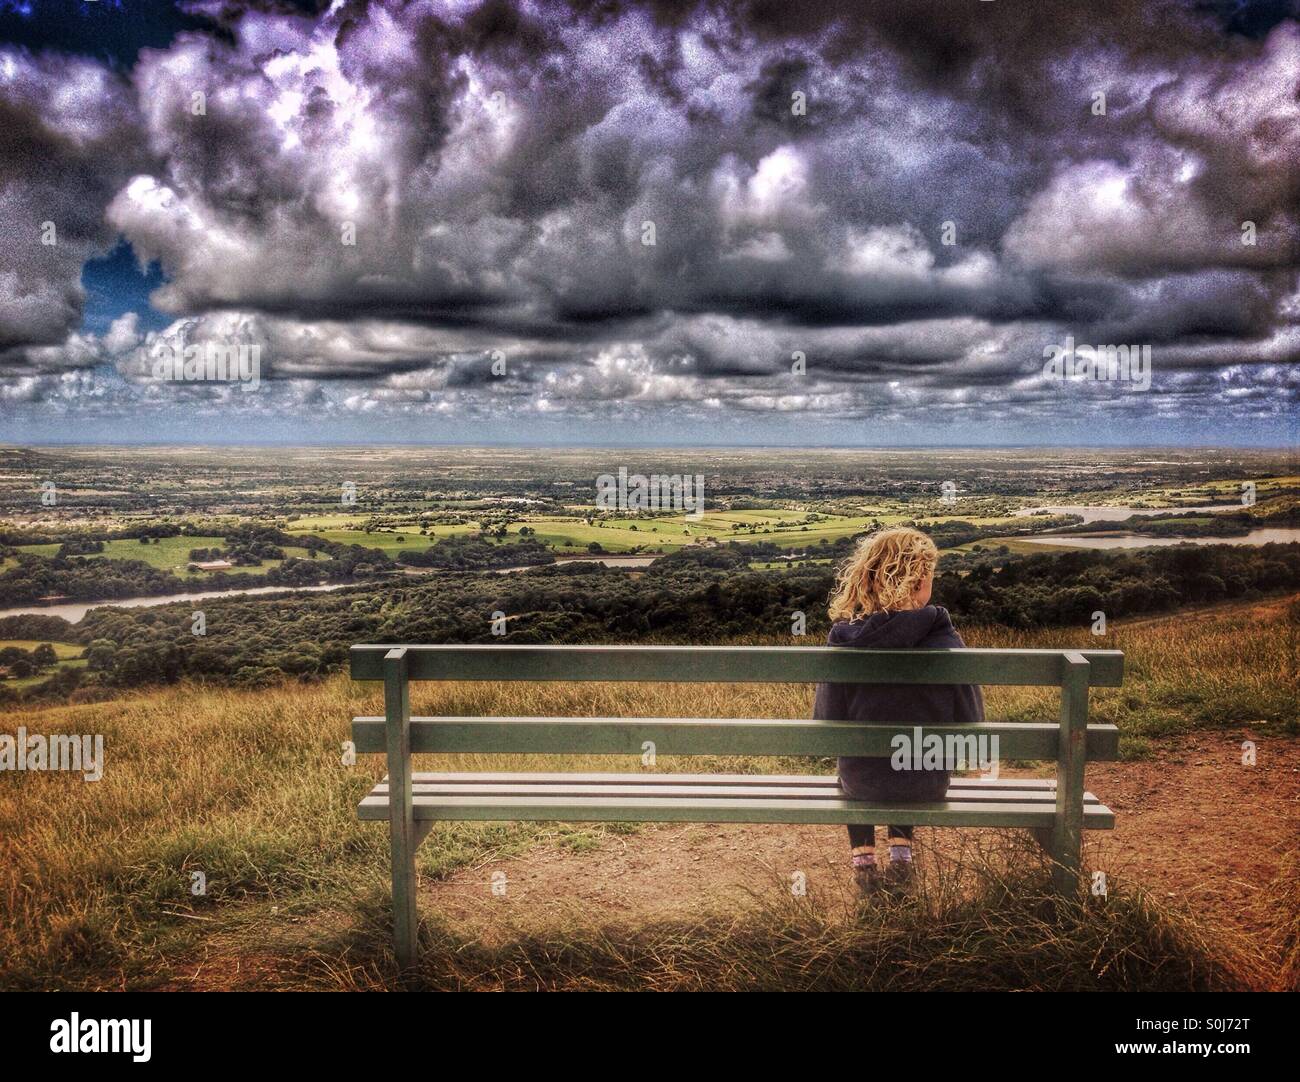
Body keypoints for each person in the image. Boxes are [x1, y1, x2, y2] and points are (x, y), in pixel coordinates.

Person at [812, 528, 984, 893]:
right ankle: (902, 859)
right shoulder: (944, 637)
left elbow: (826, 723)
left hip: (863, 782)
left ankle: (863, 864)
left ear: (868, 580)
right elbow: (972, 720)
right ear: (921, 581)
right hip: (926, 782)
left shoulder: (844, 638)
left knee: (856, 764)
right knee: (911, 753)